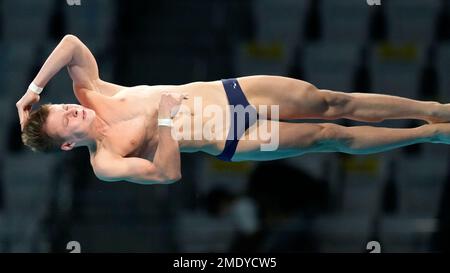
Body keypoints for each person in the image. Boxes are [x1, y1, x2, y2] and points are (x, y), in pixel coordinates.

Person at [15, 35, 450, 185]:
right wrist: (164, 120)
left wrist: (33, 90)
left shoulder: (93, 91)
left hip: (234, 95)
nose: (74, 110)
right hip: (233, 137)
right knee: (328, 135)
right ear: (69, 143)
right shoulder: (105, 162)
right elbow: (168, 174)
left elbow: (71, 43)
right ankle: (429, 133)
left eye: (65, 107)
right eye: (67, 120)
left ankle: (436, 108)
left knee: (330, 101)